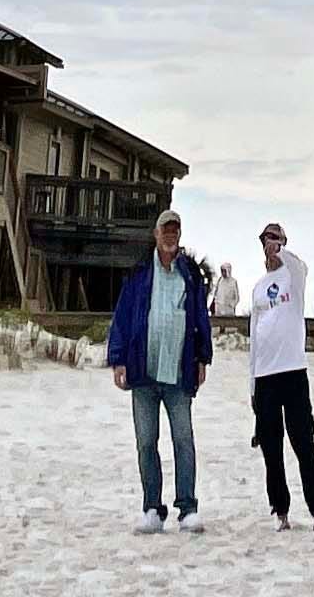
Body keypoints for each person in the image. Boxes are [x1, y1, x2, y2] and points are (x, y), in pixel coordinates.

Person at [105, 207, 212, 534]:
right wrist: (117, 358)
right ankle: (152, 507)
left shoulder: (190, 274)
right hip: (143, 371)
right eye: (165, 230)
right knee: (146, 441)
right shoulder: (139, 273)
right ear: (156, 234)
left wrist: (203, 358)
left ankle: (187, 509)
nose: (170, 235)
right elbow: (122, 317)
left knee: (183, 439)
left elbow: (200, 318)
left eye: (175, 230)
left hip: (178, 373)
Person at [243, 220, 314, 531]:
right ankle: (280, 510)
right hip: (265, 376)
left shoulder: (294, 274)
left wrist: (282, 249)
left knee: (303, 441)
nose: (270, 244)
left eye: (276, 238)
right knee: (271, 447)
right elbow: (254, 336)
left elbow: (298, 264)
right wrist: (252, 385)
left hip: (293, 371)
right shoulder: (258, 287)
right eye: (266, 239)